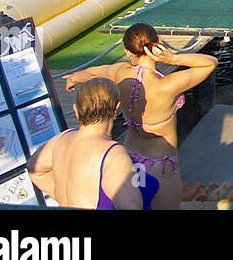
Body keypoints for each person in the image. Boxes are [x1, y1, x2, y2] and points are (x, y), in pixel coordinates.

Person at [64, 23, 217, 210]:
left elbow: (94, 72)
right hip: (161, 164)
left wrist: (74, 78)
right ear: (158, 43)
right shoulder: (168, 85)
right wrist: (173, 58)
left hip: (129, 157)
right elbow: (210, 63)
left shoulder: (120, 73)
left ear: (128, 52)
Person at [27, 78, 145, 210]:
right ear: (116, 108)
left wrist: (64, 197)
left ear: (76, 110)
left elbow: (34, 169)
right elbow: (129, 206)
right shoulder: (113, 153)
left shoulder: (60, 139)